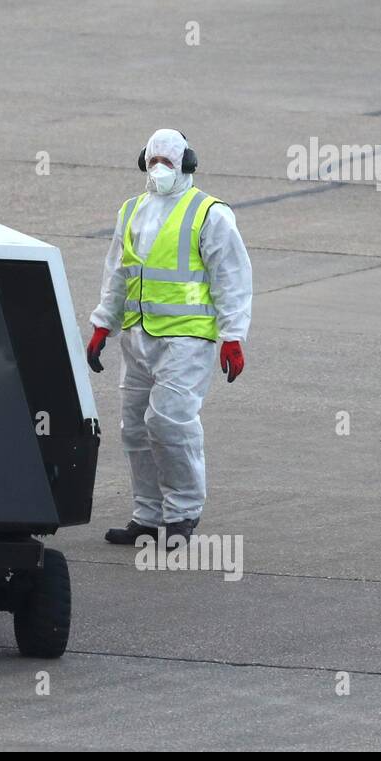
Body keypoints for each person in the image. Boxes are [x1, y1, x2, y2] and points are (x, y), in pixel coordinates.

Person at [86, 129, 252, 544]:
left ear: (186, 165)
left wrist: (233, 336)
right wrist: (103, 323)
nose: (159, 169)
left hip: (187, 339)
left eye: (168, 162)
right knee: (135, 429)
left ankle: (182, 514)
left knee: (169, 423)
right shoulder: (131, 211)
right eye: (153, 161)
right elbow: (117, 273)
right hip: (138, 337)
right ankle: (147, 516)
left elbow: (232, 277)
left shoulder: (208, 213)